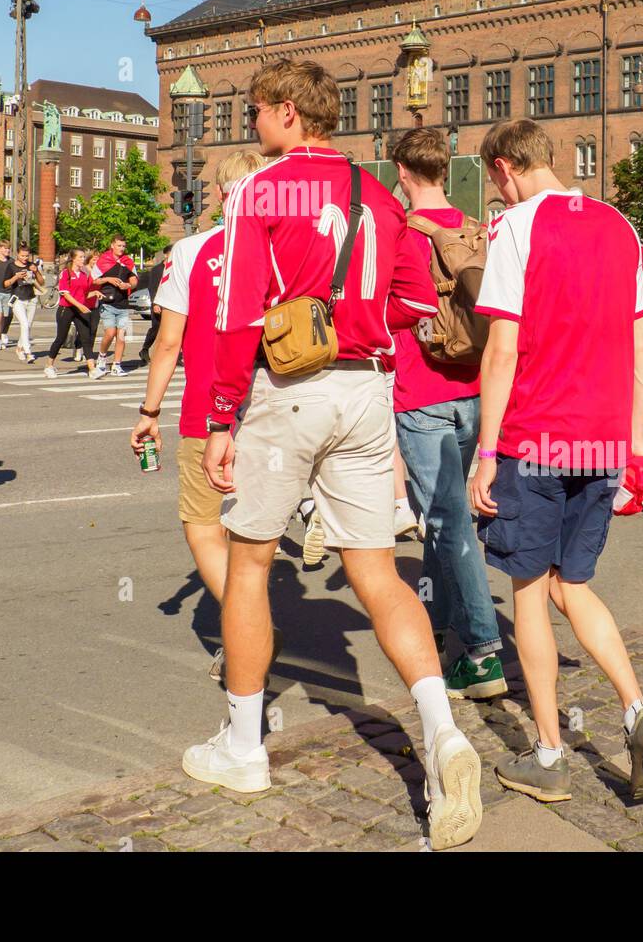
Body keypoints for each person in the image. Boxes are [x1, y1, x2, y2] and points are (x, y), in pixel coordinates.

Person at [191, 59, 484, 852]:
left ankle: (244, 746)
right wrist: (364, 320)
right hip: (367, 389)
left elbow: (238, 314)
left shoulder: (262, 190)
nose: (250, 123)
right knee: (378, 572)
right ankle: (443, 734)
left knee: (249, 563)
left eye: (255, 111)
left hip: (288, 387)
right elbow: (416, 299)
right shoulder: (376, 193)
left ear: (288, 113)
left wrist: (221, 415)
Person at [468, 119, 643, 804]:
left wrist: (485, 450)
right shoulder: (620, 226)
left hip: (535, 433)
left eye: (494, 182)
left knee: (528, 591)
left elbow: (502, 348)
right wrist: (635, 440)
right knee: (574, 585)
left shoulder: (514, 229)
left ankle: (550, 754)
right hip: (600, 438)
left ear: (505, 168)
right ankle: (637, 713)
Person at [132, 149, 266, 681]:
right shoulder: (284, 248)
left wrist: (147, 411)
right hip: (274, 408)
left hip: (209, 409)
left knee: (203, 524)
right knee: (255, 526)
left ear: (222, 193)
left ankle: (247, 629)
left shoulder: (189, 251)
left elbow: (168, 343)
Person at [387, 127, 508, 698]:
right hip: (477, 389)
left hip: (424, 392)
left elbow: (393, 313)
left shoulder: (400, 235)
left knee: (449, 521)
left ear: (403, 174)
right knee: (445, 516)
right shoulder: (475, 229)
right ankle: (433, 625)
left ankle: (483, 652)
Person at [91, 235, 138, 377]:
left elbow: (134, 279)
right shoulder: (103, 260)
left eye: (123, 246)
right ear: (112, 245)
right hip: (107, 302)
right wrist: (108, 279)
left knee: (121, 336)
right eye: (119, 246)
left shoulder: (127, 261)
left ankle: (117, 365)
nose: (121, 249)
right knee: (110, 333)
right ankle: (102, 358)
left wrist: (128, 285)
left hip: (123, 303)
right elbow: (93, 281)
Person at [46, 249, 96, 378]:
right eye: (80, 257)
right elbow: (66, 294)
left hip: (80, 309)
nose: (82, 259)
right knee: (60, 338)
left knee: (86, 338)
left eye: (83, 257)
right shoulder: (66, 273)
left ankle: (92, 369)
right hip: (66, 309)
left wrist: (95, 293)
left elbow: (84, 294)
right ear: (73, 259)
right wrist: (80, 305)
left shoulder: (85, 275)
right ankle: (49, 365)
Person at [6, 247, 43, 362]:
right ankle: (28, 352)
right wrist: (16, 276)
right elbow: (6, 283)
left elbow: (41, 282)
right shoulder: (11, 266)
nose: (25, 258)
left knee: (28, 325)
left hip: (31, 298)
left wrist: (36, 271)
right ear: (18, 254)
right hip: (18, 298)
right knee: (24, 324)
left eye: (27, 256)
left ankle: (19, 348)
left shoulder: (31, 265)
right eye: (22, 256)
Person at [138, 252, 168, 365]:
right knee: (156, 328)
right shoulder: (157, 270)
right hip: (158, 303)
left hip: (171, 303)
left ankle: (172, 355)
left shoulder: (175, 268)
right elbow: (153, 287)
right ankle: (145, 349)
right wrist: (155, 303)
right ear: (166, 255)